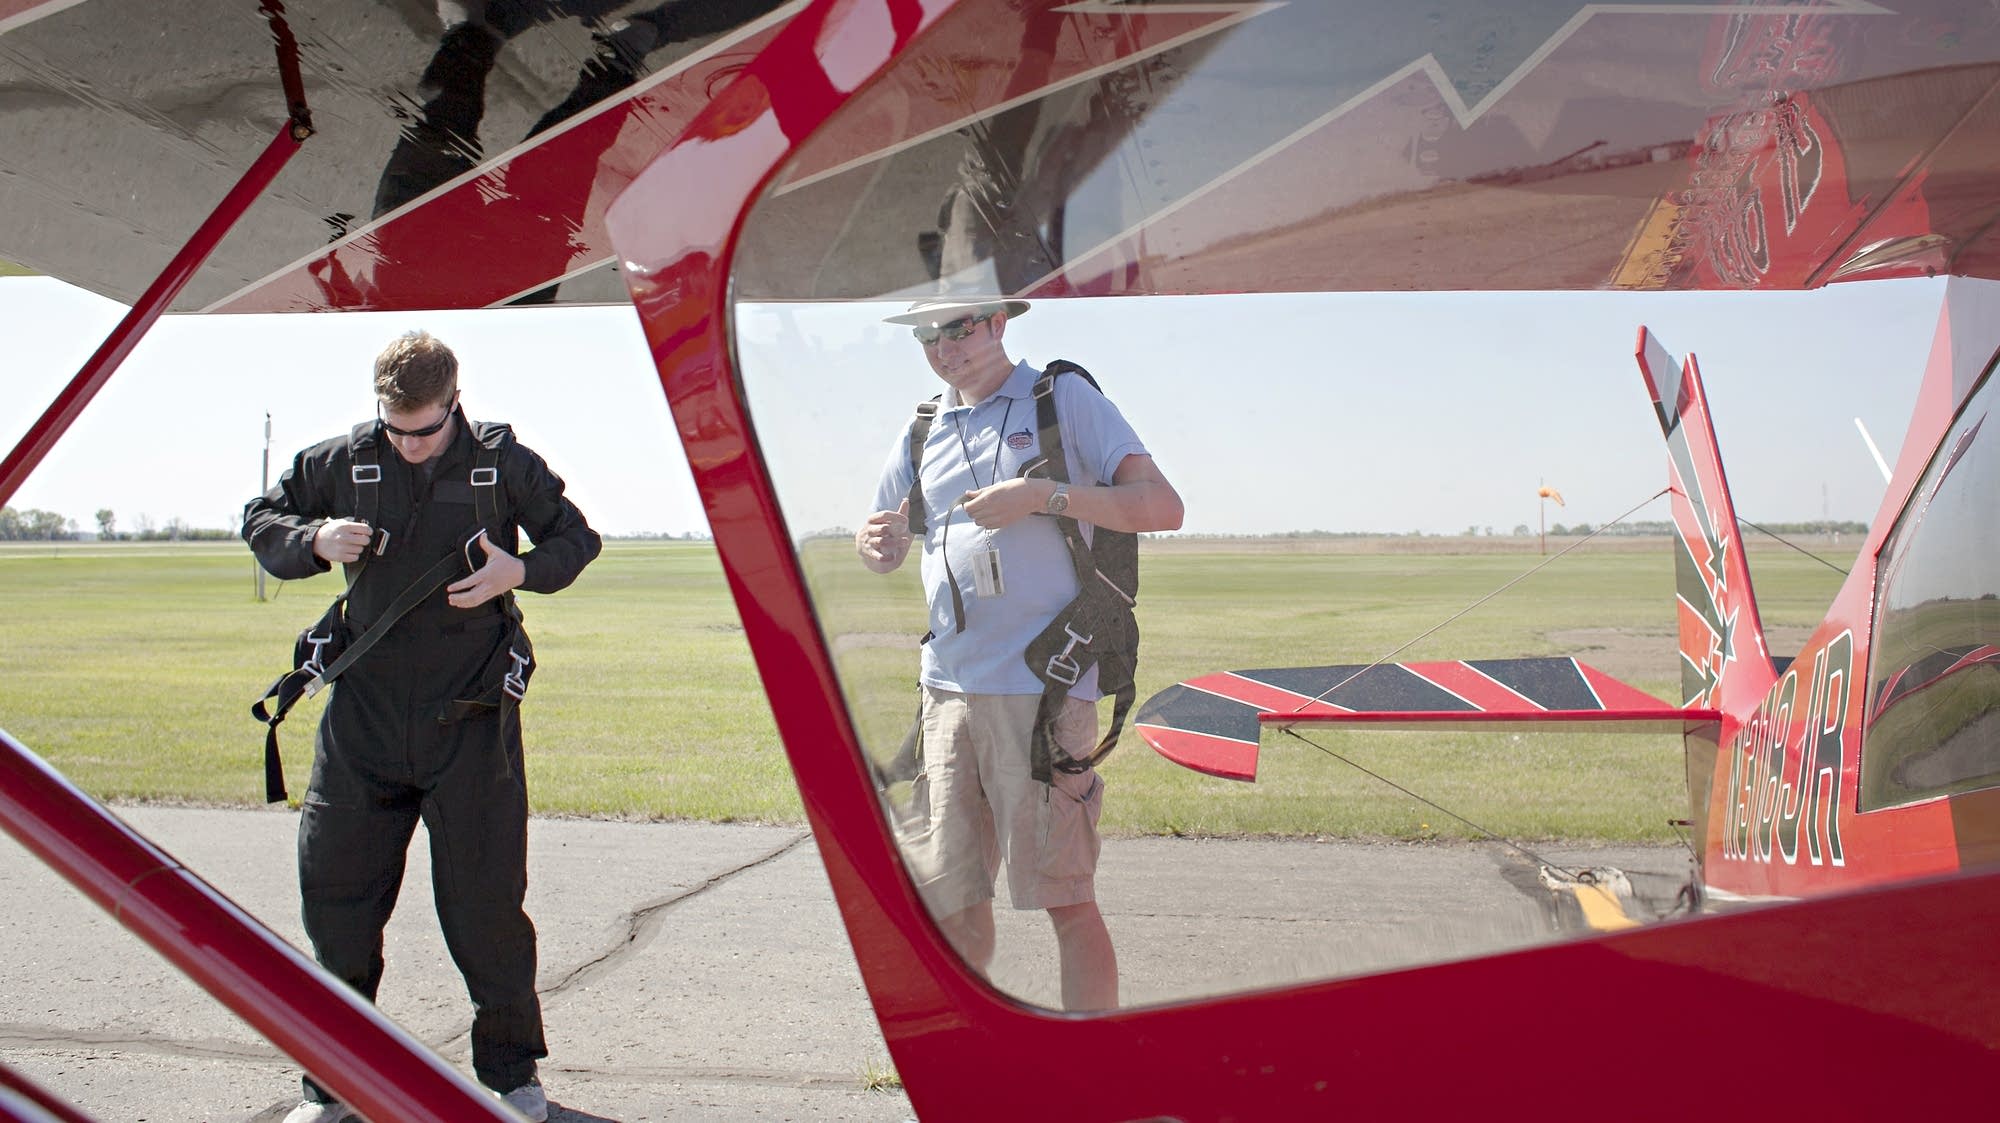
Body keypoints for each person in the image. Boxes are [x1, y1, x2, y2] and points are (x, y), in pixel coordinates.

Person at [243, 331, 600, 1123]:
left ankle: (511, 1078)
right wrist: (313, 541)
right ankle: (330, 1085)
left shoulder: (503, 464)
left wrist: (522, 570)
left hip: (470, 719)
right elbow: (262, 518)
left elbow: (577, 539)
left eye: (425, 428)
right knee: (335, 901)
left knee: (486, 908)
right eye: (396, 428)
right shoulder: (342, 461)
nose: (409, 444)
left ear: (454, 402)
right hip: (362, 719)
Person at [855, 296, 1183, 1011]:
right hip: (945, 692)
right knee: (953, 902)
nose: (946, 346)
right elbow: (883, 536)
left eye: (961, 326)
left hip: (1044, 690)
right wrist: (873, 544)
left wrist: (1046, 496)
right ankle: (971, 1061)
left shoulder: (1062, 398)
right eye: (928, 334)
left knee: (1065, 899)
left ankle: (1094, 1074)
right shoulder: (923, 429)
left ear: (1000, 322)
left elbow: (1162, 505)